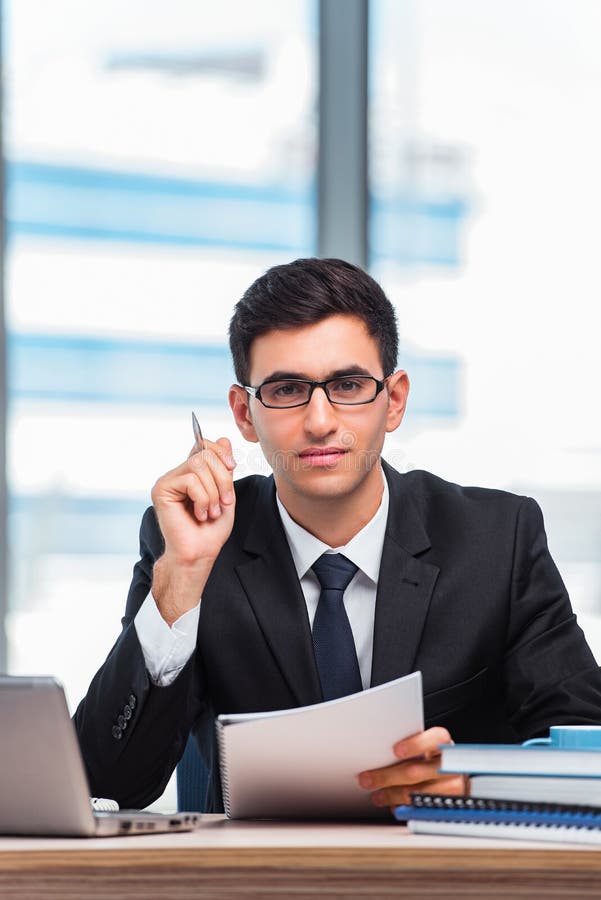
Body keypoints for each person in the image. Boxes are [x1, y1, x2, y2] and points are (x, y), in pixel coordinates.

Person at [74, 257, 601, 814]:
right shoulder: (192, 545)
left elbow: (587, 748)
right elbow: (106, 784)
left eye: (348, 385)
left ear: (394, 400)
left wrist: (472, 782)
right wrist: (181, 577)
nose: (320, 421)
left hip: (444, 859)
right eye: (286, 390)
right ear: (245, 414)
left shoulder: (498, 539)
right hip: (259, 866)